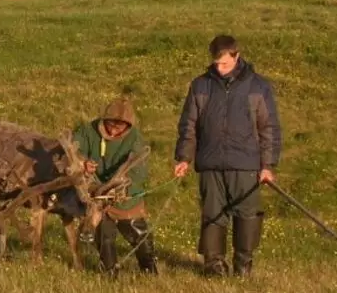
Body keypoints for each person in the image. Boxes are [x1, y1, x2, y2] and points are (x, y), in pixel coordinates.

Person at [174, 34, 281, 276]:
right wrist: (184, 158)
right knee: (212, 215)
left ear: (237, 56)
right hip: (210, 164)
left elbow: (269, 129)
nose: (220, 69)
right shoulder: (200, 85)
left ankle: (243, 265)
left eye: (225, 63)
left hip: (246, 166)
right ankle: (214, 266)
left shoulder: (258, 86)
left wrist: (268, 165)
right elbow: (189, 125)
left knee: (247, 216)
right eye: (216, 64)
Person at [73, 97, 156, 274]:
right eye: (110, 123)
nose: (113, 129)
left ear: (128, 125)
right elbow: (74, 151)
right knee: (104, 234)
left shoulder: (135, 139)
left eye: (119, 126)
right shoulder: (89, 131)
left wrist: (122, 187)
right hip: (97, 195)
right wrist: (83, 163)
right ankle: (109, 271)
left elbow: (138, 171)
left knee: (137, 234)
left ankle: (149, 269)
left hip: (123, 196)